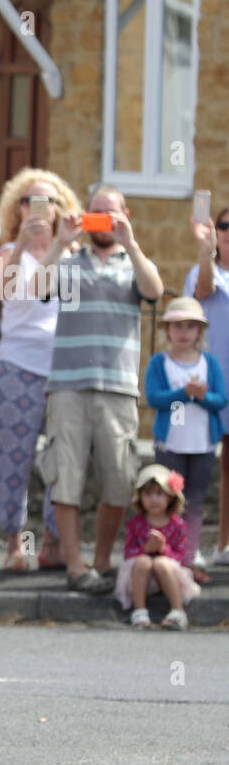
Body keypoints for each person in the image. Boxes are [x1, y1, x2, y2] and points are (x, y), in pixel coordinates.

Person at [38, 184, 164, 594]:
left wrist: (132, 243)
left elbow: (154, 291)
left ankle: (103, 561)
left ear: (125, 215)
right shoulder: (70, 263)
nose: (103, 222)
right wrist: (60, 241)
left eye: (111, 214)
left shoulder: (134, 263)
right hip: (68, 387)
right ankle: (76, 567)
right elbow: (37, 288)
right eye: (95, 213)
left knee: (118, 480)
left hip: (118, 389)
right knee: (66, 479)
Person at [0, 168, 81, 572]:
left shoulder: (72, 255)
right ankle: (14, 543)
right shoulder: (7, 252)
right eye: (30, 201)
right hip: (20, 365)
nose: (39, 209)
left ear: (60, 209)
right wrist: (24, 243)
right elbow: (7, 294)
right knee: (16, 455)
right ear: (19, 208)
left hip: (62, 367)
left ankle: (51, 542)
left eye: (48, 201)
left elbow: (74, 308)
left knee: (60, 457)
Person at [144, 297, 226, 583]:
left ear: (199, 331)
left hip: (202, 444)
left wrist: (202, 396)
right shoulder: (159, 362)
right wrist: (184, 393)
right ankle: (167, 549)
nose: (183, 332)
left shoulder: (209, 362)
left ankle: (190, 551)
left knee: (196, 500)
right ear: (167, 330)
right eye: (177, 326)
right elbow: (154, 397)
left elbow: (220, 399)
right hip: (171, 445)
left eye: (190, 326)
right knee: (168, 499)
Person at [183, 203, 229, 565]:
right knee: (195, 463)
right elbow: (203, 290)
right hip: (206, 382)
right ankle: (187, 546)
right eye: (225, 226)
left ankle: (224, 546)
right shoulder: (205, 270)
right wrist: (207, 251)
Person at [116, 465, 199, 630]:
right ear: (140, 497)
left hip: (170, 575)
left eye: (159, 494)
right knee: (142, 561)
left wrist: (163, 550)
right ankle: (139, 611)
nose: (153, 499)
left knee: (161, 563)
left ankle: (178, 611)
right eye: (148, 494)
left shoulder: (177, 524)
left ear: (170, 497)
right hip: (140, 576)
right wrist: (145, 549)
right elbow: (128, 553)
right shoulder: (135, 524)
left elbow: (180, 557)